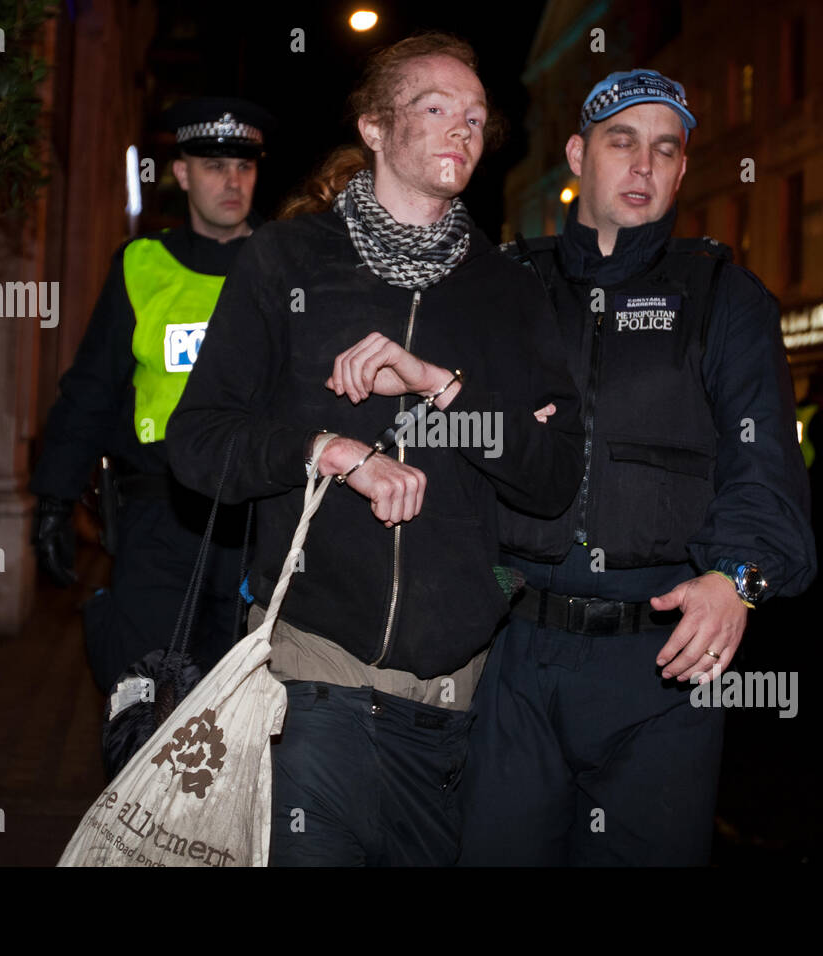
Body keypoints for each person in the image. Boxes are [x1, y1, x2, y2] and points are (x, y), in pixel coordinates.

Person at [165, 33, 584, 867]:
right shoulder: (287, 260)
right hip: (309, 679)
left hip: (447, 704)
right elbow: (199, 440)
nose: (462, 129)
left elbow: (552, 478)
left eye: (475, 117)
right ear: (376, 128)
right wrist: (328, 450)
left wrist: (443, 386)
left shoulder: (508, 290)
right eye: (435, 109)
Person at [457, 69, 816, 866]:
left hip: (661, 664)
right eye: (622, 143)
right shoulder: (506, 283)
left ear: (682, 170)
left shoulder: (725, 296)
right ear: (577, 155)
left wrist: (737, 581)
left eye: (666, 149)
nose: (644, 166)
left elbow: (765, 467)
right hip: (511, 652)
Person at [30, 97, 272, 695]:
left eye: (244, 166)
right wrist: (54, 498)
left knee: (241, 704)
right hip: (159, 517)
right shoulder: (143, 265)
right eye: (214, 166)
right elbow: (92, 388)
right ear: (182, 173)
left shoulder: (282, 264)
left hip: (256, 521)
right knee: (144, 698)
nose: (232, 181)